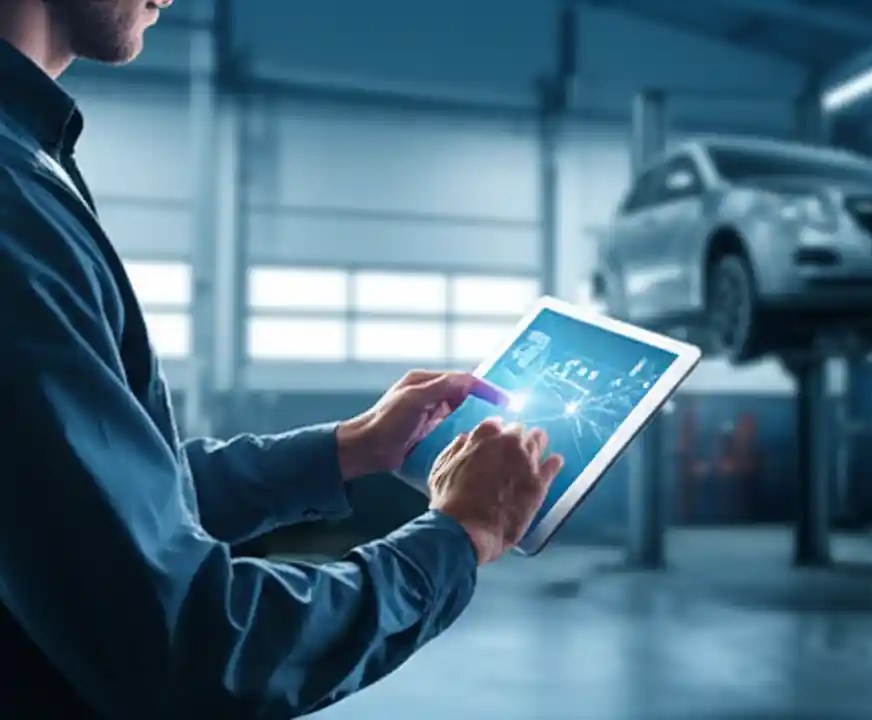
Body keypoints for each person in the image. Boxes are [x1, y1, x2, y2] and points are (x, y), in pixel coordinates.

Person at [0, 1, 564, 717]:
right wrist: (458, 537)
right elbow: (192, 648)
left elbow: (93, 498)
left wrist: (345, 450)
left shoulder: (30, 162)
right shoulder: (13, 207)